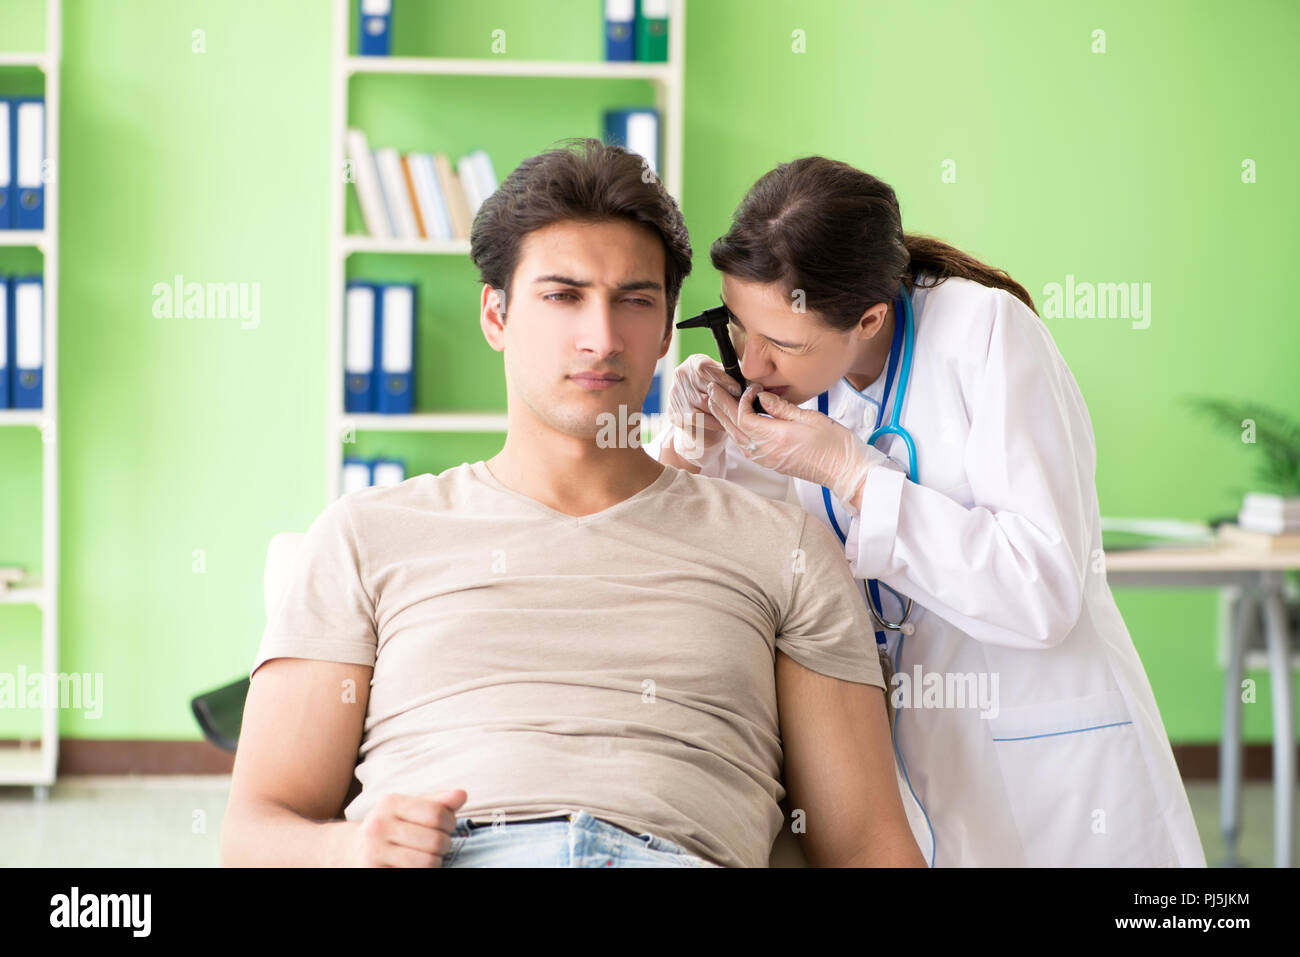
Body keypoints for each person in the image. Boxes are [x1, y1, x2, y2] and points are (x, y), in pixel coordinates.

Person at [220, 139, 925, 869]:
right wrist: (349, 848)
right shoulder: (366, 535)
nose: (601, 337)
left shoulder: (787, 548)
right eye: (563, 296)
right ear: (495, 315)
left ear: (663, 335)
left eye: (635, 301)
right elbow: (254, 833)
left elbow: (869, 845)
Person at [647, 156, 1206, 867]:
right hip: (907, 767)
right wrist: (709, 445)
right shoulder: (804, 377)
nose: (751, 364)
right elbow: (773, 557)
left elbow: (1043, 589)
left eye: (779, 342)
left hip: (1054, 771)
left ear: (869, 317)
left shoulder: (985, 335)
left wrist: (855, 474)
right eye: (737, 327)